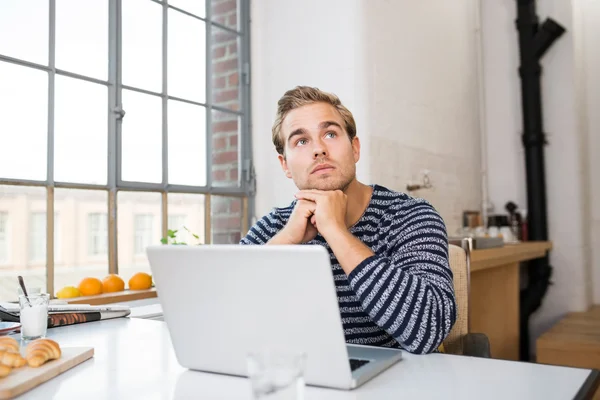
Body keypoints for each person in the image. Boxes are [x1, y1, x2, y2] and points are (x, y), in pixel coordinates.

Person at [240, 86, 456, 354]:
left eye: (330, 134)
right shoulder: (275, 227)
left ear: (354, 149)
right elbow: (222, 315)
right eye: (301, 141)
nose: (318, 149)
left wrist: (336, 232)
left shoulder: (410, 215)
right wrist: (287, 239)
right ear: (285, 164)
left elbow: (428, 330)